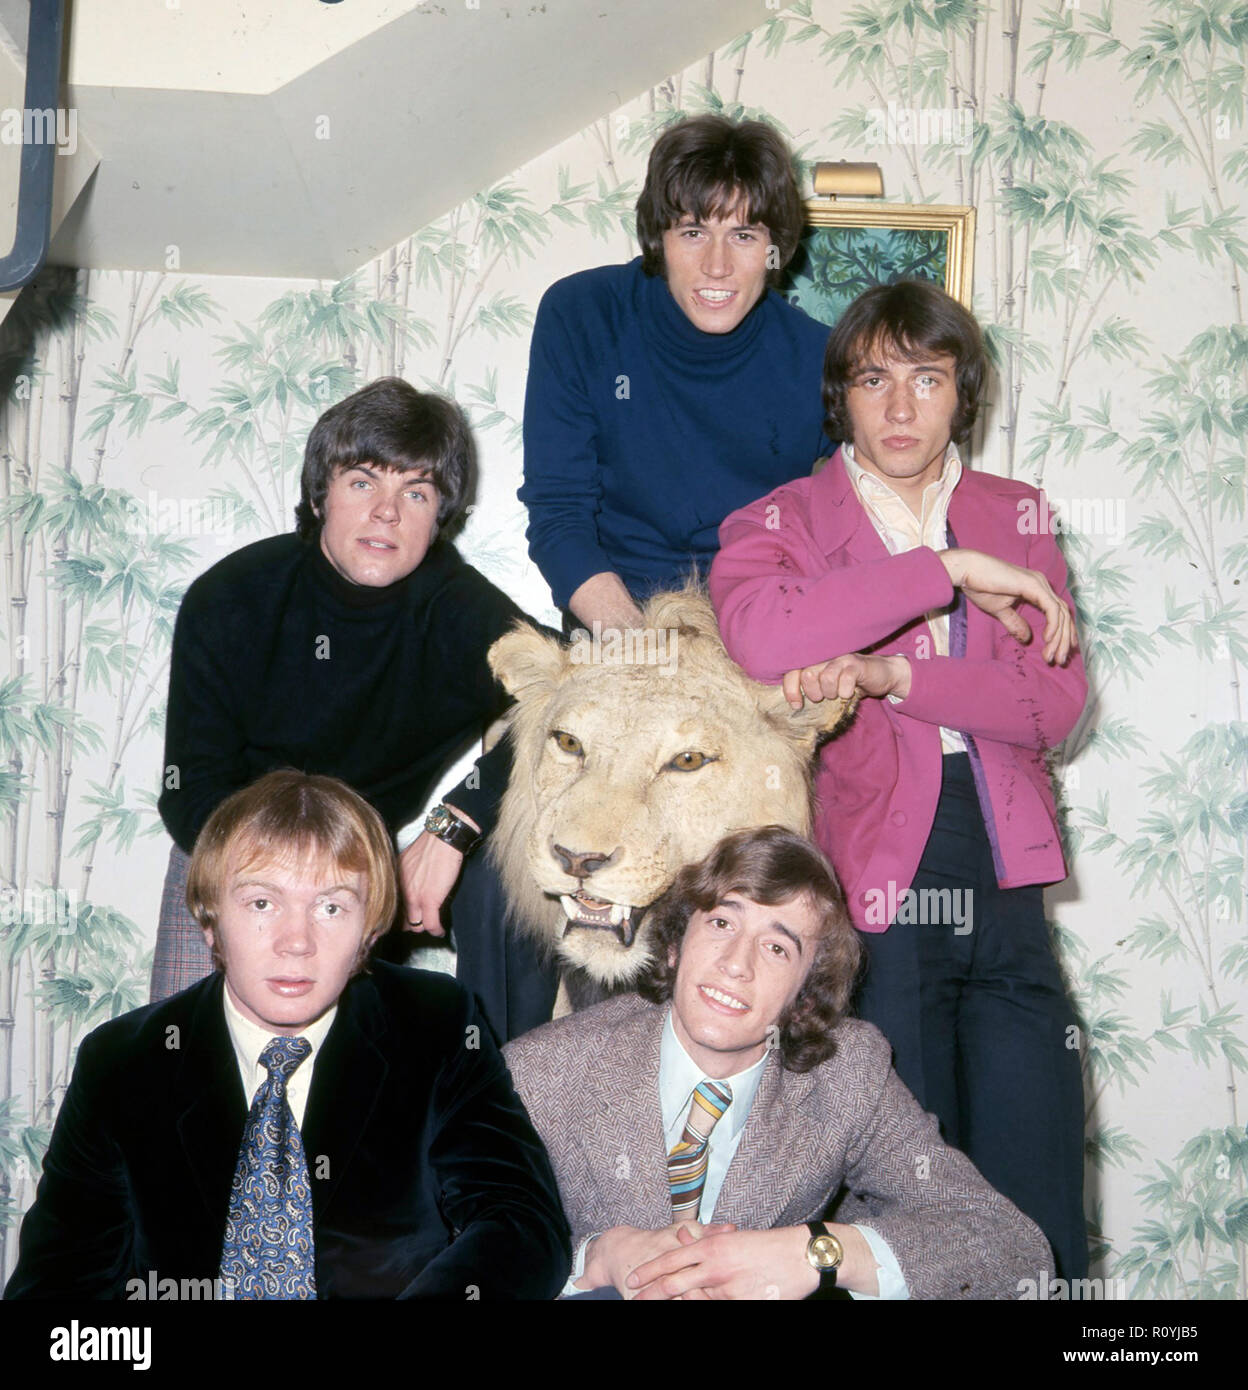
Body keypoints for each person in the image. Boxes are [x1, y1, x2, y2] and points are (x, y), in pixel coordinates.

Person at [708, 279, 1088, 1280]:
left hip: (1009, 873)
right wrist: (947, 570)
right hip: (871, 881)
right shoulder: (782, 519)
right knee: (909, 1193)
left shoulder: (1021, 512)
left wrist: (897, 675)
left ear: (964, 391)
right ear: (844, 394)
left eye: (929, 377)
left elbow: (1051, 706)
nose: (904, 405)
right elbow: (763, 638)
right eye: (877, 379)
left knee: (1037, 1185)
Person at [6, 771, 570, 1300]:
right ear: (209, 918)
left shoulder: (436, 1024)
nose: (295, 941)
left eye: (330, 906)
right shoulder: (125, 1062)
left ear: (371, 928)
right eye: (261, 902)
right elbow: (57, 1290)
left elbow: (521, 1224)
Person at [151, 376, 555, 1033]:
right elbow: (187, 789)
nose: (387, 513)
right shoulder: (231, 598)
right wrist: (277, 882)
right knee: (178, 1086)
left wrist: (457, 821)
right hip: (229, 847)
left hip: (358, 861)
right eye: (364, 482)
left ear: (439, 518)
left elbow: (570, 698)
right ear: (320, 495)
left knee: (347, 1093)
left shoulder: (454, 607)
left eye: (415, 492)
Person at [504, 826, 1052, 1300]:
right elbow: (454, 1247)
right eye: (722, 923)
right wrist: (593, 1258)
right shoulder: (543, 1072)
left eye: (777, 948)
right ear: (673, 946)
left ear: (806, 996)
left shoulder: (848, 1073)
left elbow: (1010, 1248)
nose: (736, 965)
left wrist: (813, 1252)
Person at [520, 112, 831, 632]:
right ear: (659, 238)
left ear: (774, 248)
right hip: (613, 620)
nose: (717, 264)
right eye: (693, 232)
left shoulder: (817, 356)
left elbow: (876, 506)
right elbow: (558, 510)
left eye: (744, 236)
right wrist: (639, 652)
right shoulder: (582, 315)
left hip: (759, 628)